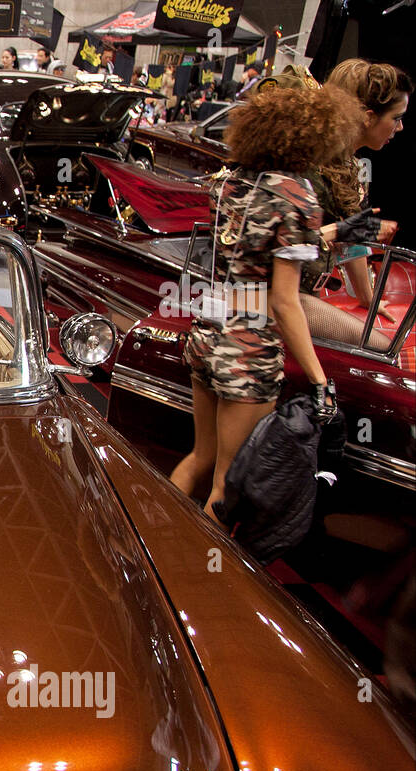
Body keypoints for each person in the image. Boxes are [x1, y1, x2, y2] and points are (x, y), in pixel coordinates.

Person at [169, 85, 361, 521]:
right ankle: (202, 578)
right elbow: (285, 302)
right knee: (227, 482)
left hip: (207, 331)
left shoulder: (230, 181)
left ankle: (153, 542)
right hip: (248, 348)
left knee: (200, 458)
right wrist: (318, 380)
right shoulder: (298, 196)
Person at [306, 59, 411, 332]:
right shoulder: (306, 166)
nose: (399, 128)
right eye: (396, 118)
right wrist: (338, 232)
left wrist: (368, 299)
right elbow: (277, 247)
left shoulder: (350, 166)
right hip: (269, 300)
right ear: (367, 116)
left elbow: (352, 240)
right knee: (384, 351)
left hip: (297, 296)